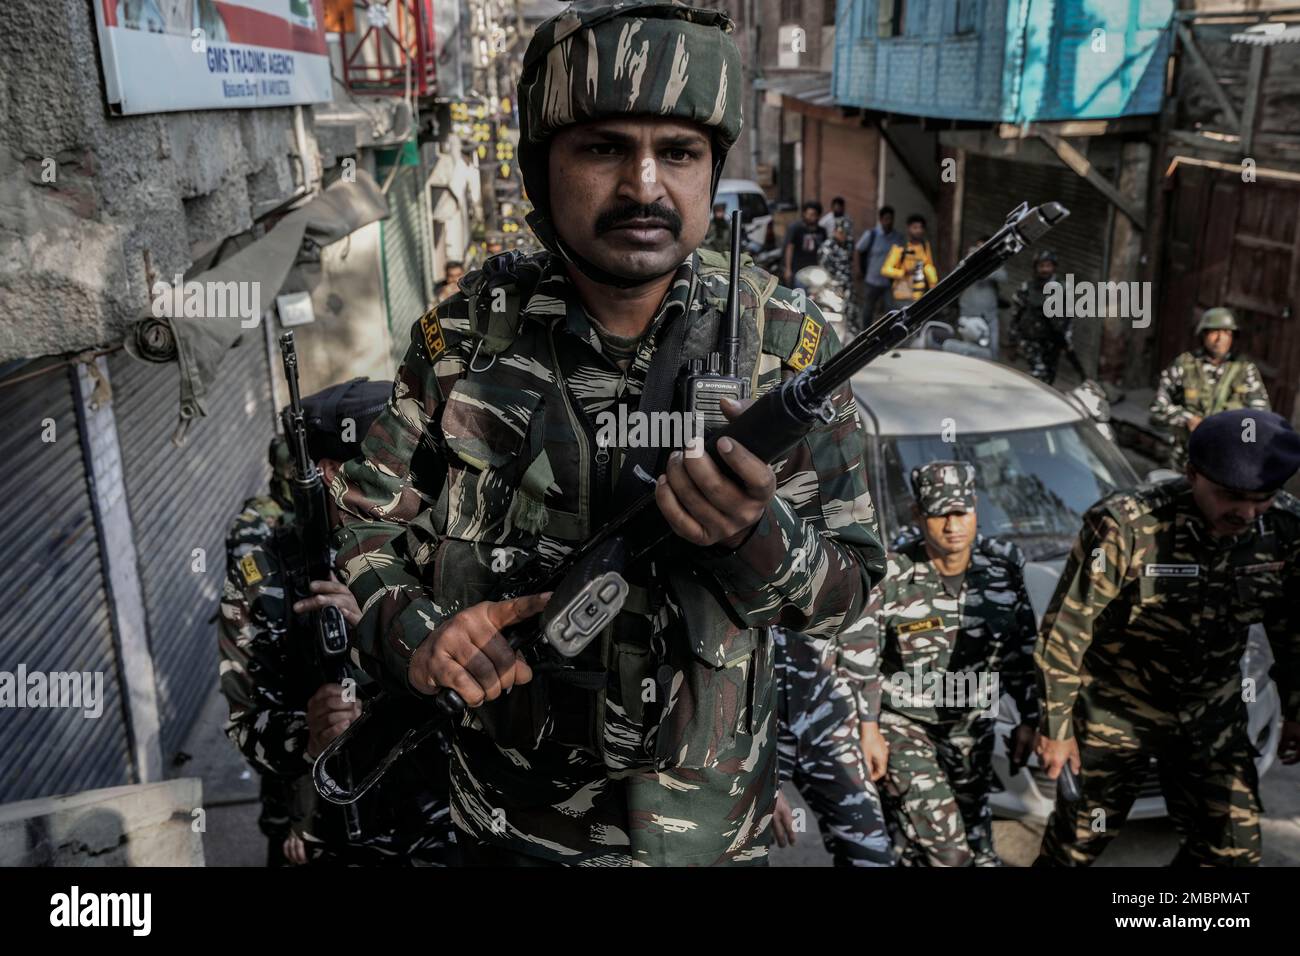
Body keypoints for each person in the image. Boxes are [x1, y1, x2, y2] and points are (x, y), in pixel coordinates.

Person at [330, 0, 885, 868]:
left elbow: (852, 590)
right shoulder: (465, 341)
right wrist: (416, 633)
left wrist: (753, 536)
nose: (645, 186)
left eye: (680, 152)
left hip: (707, 839)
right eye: (602, 148)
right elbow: (363, 521)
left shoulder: (787, 349)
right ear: (539, 167)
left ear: (711, 170)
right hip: (511, 829)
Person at [1034, 409, 1300, 867]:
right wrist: (1055, 728)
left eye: (1263, 499)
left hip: (1210, 710)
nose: (1247, 513)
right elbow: (1065, 631)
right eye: (1232, 496)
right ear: (1192, 474)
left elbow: (1291, 627)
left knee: (1230, 849)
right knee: (1077, 844)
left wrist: (1295, 709)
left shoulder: (1282, 530)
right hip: (1115, 709)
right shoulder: (1126, 526)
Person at [218, 379, 458, 866]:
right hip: (330, 838)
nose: (411, 480)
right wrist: (309, 732)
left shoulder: (446, 550)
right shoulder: (266, 577)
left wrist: (384, 632)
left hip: (444, 826)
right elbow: (247, 725)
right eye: (390, 463)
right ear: (331, 473)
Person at [853, 462, 1039, 866]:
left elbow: (1022, 651)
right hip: (905, 728)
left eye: (962, 513)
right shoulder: (893, 572)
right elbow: (860, 654)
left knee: (980, 851)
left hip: (972, 728)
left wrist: (1030, 717)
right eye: (940, 514)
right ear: (919, 516)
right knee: (949, 851)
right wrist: (868, 730)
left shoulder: (1003, 570)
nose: (953, 525)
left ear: (975, 509)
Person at [770, 628, 894, 866]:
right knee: (735, 851)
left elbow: (859, 629)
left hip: (826, 718)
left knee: (872, 855)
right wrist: (763, 784)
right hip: (750, 731)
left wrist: (869, 725)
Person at [1149, 307, 1270, 470]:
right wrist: (1187, 419)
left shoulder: (1245, 370)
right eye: (1214, 332)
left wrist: (1234, 430)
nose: (1220, 339)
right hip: (1186, 459)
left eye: (1226, 333)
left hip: (1228, 461)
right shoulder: (1184, 366)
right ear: (1203, 335)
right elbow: (1157, 410)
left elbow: (1261, 417)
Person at [1010, 249, 1073, 385]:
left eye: (1048, 266)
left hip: (1052, 341)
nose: (1045, 269)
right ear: (1036, 267)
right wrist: (1013, 338)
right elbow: (1016, 312)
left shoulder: (1063, 288)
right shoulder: (1026, 287)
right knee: (1038, 375)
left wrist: (1066, 341)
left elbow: (1068, 316)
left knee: (1049, 378)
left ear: (1054, 267)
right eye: (1041, 266)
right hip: (1031, 339)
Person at [956, 236, 1007, 360]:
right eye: (979, 247)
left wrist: (986, 264)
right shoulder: (968, 261)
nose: (981, 250)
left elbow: (1003, 277)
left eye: (985, 247)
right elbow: (956, 275)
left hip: (989, 316)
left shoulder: (996, 261)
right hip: (968, 314)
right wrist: (970, 261)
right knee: (967, 351)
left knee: (992, 352)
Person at [854, 206, 903, 323]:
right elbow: (860, 250)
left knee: (891, 309)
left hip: (889, 282)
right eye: (886, 219)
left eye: (891, 219)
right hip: (872, 280)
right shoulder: (871, 235)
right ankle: (864, 334)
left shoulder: (897, 238)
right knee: (868, 309)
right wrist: (860, 270)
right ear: (880, 220)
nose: (889, 222)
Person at [880, 214, 938, 308]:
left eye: (921, 227)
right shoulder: (900, 247)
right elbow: (885, 270)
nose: (918, 231)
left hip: (919, 295)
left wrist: (933, 282)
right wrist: (904, 272)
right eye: (915, 227)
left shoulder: (924, 245)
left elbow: (928, 265)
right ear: (908, 228)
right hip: (902, 295)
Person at [783, 201, 828, 287]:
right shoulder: (797, 229)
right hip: (798, 269)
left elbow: (824, 250)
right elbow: (790, 248)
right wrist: (788, 269)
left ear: (818, 216)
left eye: (813, 214)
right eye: (808, 214)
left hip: (815, 269)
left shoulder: (822, 231)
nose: (810, 217)